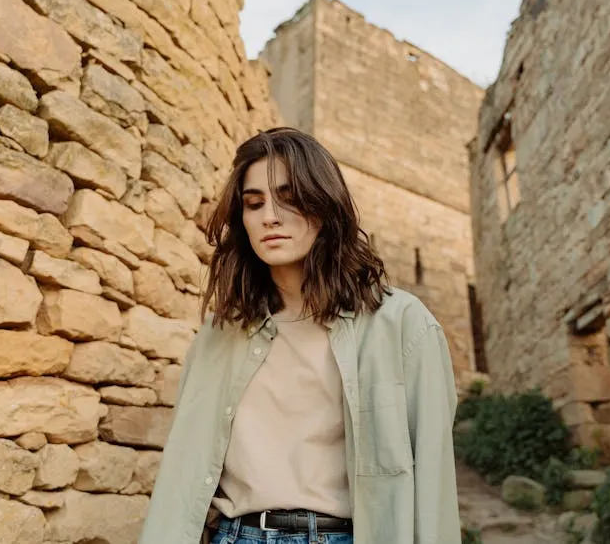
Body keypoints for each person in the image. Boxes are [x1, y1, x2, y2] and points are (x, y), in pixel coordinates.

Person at [139, 127, 461, 544]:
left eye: (289, 198)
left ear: (325, 207)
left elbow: (434, 481)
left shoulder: (402, 325)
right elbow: (183, 473)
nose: (270, 216)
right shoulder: (217, 337)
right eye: (254, 204)